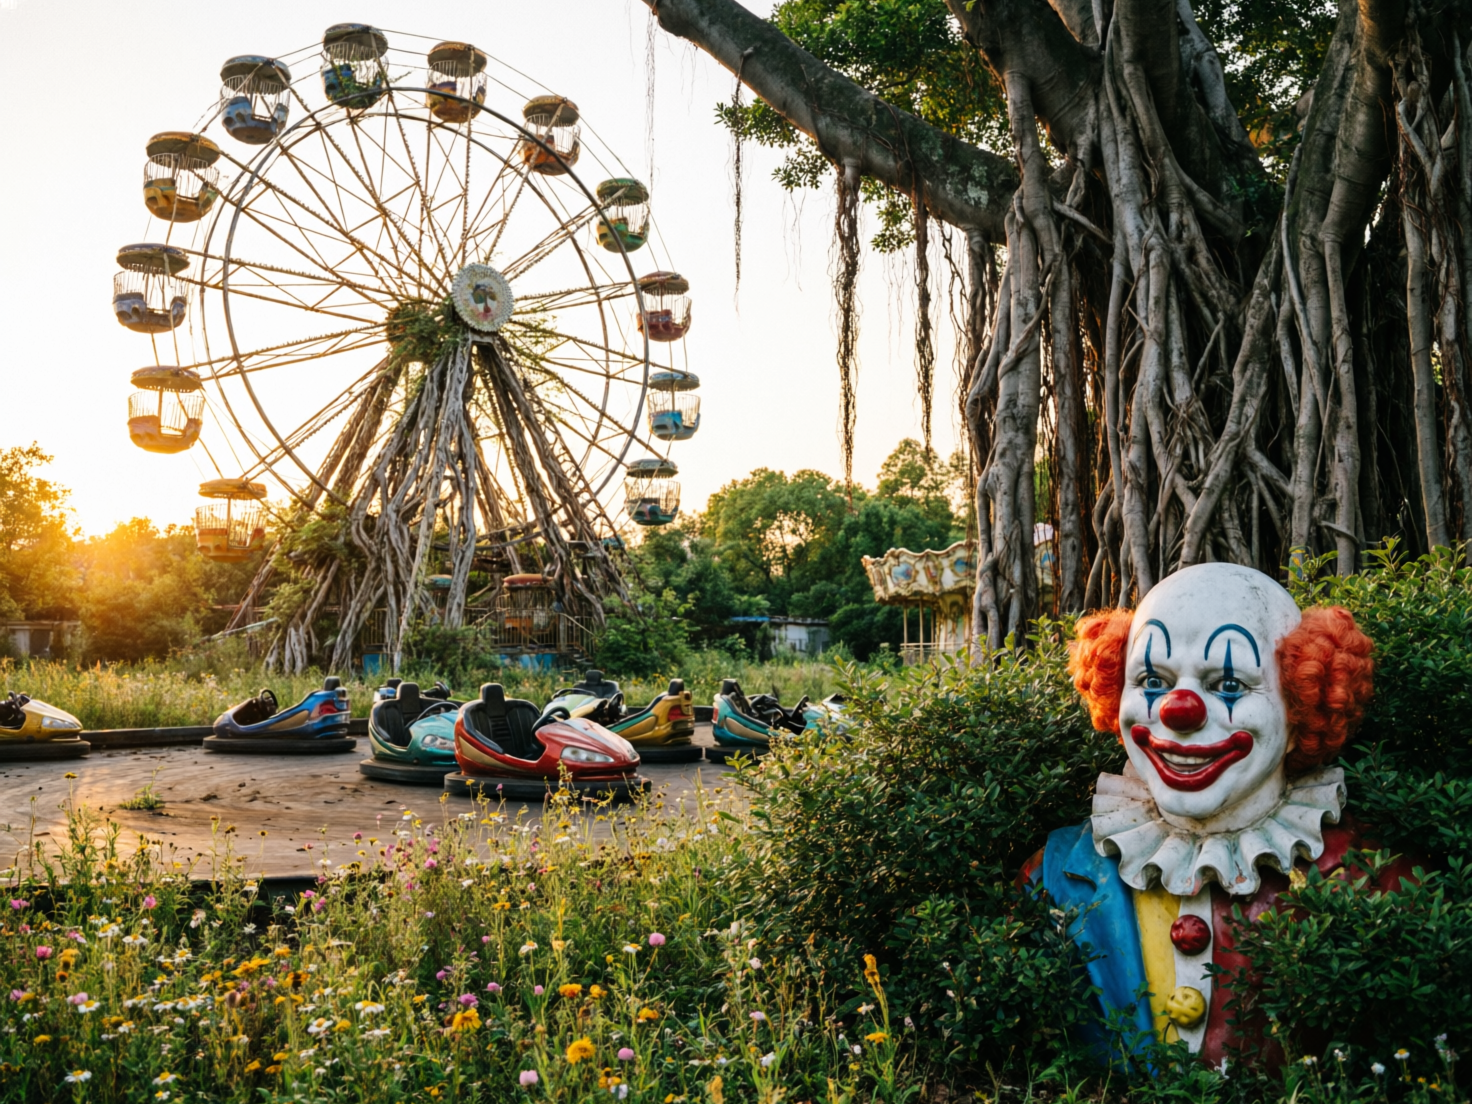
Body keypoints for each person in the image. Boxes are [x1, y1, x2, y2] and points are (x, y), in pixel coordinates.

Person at [1025, 563, 1413, 1067]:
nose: (1177, 710)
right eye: (1151, 679)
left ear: (1302, 703)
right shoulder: (1052, 878)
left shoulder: (1374, 884)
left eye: (1230, 683)